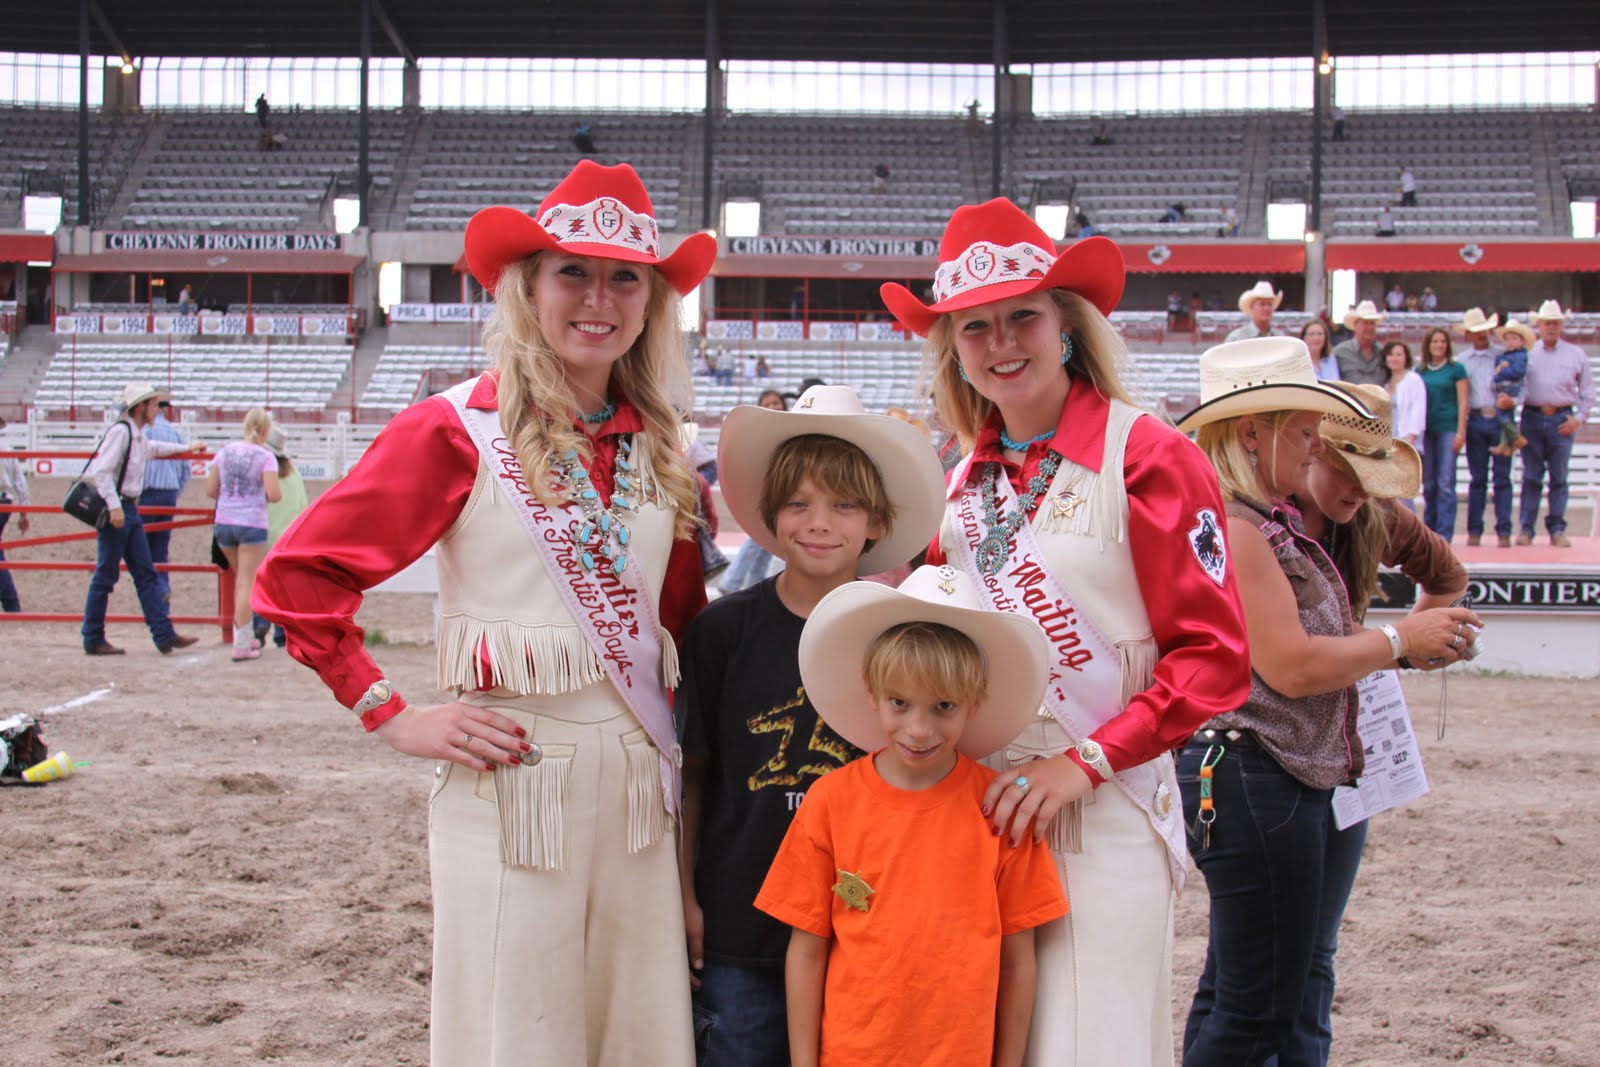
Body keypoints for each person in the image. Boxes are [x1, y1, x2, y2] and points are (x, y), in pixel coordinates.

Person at [252, 161, 718, 1065]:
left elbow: (683, 627)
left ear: (652, 299)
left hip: (637, 790)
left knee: (638, 1031)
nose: (599, 297)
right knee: (516, 1027)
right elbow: (301, 574)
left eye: (625, 276)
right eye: (571, 272)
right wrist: (391, 712)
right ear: (527, 287)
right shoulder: (454, 428)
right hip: (510, 780)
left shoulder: (664, 447)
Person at [881, 198, 1254, 1067]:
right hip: (984, 805)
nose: (1003, 343)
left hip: (1105, 796)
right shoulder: (962, 473)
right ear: (952, 348)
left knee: (1094, 1040)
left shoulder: (1152, 453)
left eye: (1024, 317)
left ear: (1068, 327)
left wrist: (1082, 761)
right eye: (976, 328)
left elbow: (1215, 657)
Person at [1173, 338, 1478, 1064]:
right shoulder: (1245, 527)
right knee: (1262, 1002)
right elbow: (1295, 665)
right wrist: (1399, 641)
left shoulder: (1241, 519)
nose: (1313, 446)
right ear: (1256, 431)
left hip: (1254, 763)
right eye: (1307, 432)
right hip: (1265, 763)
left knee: (1242, 986)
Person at [680, 385, 946, 1066]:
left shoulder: (904, 639)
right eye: (798, 503)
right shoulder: (721, 632)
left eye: (844, 504)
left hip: (867, 928)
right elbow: (693, 779)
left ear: (876, 521)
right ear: (770, 515)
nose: (819, 522)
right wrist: (684, 896)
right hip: (743, 925)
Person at [756, 565, 1068, 1067]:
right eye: (900, 703)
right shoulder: (830, 801)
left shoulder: (1001, 809)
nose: (919, 729)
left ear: (974, 702)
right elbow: (807, 951)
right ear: (872, 692)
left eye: (943, 705)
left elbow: (1019, 959)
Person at [1274, 382, 1471, 1066]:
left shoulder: (1376, 518)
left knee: (1313, 943)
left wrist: (1407, 646)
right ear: (1309, 451)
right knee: (1277, 942)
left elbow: (1448, 577)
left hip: (1345, 732)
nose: (1359, 492)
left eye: (1370, 479)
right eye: (1347, 474)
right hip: (1279, 738)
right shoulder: (1263, 520)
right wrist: (1393, 642)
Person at [81, 383, 202, 656]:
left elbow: (153, 449)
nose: (156, 409)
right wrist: (114, 507)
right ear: (140, 407)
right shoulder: (123, 433)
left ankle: (163, 633)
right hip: (121, 510)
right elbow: (102, 472)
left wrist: (186, 448)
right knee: (110, 574)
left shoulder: (132, 434)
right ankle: (95, 635)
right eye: (153, 404)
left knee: (140, 573)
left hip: (127, 509)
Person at [1516, 300, 1596, 548]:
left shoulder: (1576, 355)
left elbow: (1588, 392)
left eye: (1555, 323)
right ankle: (1526, 529)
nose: (1551, 327)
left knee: (1559, 477)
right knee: (1531, 476)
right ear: (1538, 325)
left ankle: (1557, 529)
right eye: (1547, 323)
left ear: (1561, 326)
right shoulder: (1527, 354)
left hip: (1562, 419)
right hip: (1532, 416)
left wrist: (1578, 419)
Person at [207, 409, 281, 661]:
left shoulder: (224, 452)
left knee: (241, 581)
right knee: (247, 584)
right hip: (251, 522)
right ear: (266, 430)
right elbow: (273, 494)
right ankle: (242, 641)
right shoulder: (265, 456)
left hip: (225, 521)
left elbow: (210, 489)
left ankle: (245, 637)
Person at [1454, 308, 1511, 546]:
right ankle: (1475, 530)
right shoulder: (1462, 361)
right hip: (1476, 418)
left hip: (1499, 417)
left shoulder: (1502, 356)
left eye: (1483, 331)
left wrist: (1511, 401)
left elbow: (1517, 384)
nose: (1481, 335)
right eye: (1476, 332)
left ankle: (1504, 531)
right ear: (1468, 334)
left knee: (1502, 478)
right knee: (1478, 478)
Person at [252, 426, 307, 649]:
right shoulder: (294, 474)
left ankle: (259, 625)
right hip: (288, 537)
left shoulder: (262, 473)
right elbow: (302, 506)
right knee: (284, 589)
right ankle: (282, 635)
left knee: (261, 584)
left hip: (264, 533)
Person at [1416, 327, 1468, 541]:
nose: (1439, 345)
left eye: (1442, 341)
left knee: (1445, 482)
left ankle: (1445, 533)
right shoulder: (1420, 372)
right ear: (1428, 345)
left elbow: (1463, 401)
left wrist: (1460, 432)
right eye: (1435, 341)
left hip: (1448, 429)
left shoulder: (1457, 369)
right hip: (1427, 430)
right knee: (1428, 484)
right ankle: (1430, 531)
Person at [140, 398, 190, 606]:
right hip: (169, 494)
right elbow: (185, 468)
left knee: (141, 548)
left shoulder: (143, 432)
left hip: (147, 493)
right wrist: (176, 492)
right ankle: (162, 595)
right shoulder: (174, 432)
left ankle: (157, 591)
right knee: (160, 549)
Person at [1384, 342, 1426, 492]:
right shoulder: (1386, 383)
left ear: (1406, 357)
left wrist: (1410, 440)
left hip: (1405, 441)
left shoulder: (1413, 380)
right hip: (1388, 442)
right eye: (1391, 354)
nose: (1394, 358)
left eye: (1399, 354)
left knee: (1403, 488)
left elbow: (1418, 410)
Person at [0, 421, 29, 613]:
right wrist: (23, 512)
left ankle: (11, 601)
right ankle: (11, 602)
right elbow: (21, 483)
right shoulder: (7, 448)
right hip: (5, 502)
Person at [1488, 328, 1529, 459]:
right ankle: (1505, 444)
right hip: (1502, 386)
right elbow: (1497, 372)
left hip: (1511, 387)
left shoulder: (1521, 356)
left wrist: (1503, 370)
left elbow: (1517, 372)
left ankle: (1516, 436)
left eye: (1514, 338)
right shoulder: (1503, 356)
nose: (1510, 342)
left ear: (1521, 341)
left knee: (1501, 414)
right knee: (1506, 415)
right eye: (1507, 339)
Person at [1332, 300, 1387, 385]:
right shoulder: (1339, 352)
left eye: (1372, 323)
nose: (1370, 327)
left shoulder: (1384, 352)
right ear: (1355, 326)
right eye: (1365, 323)